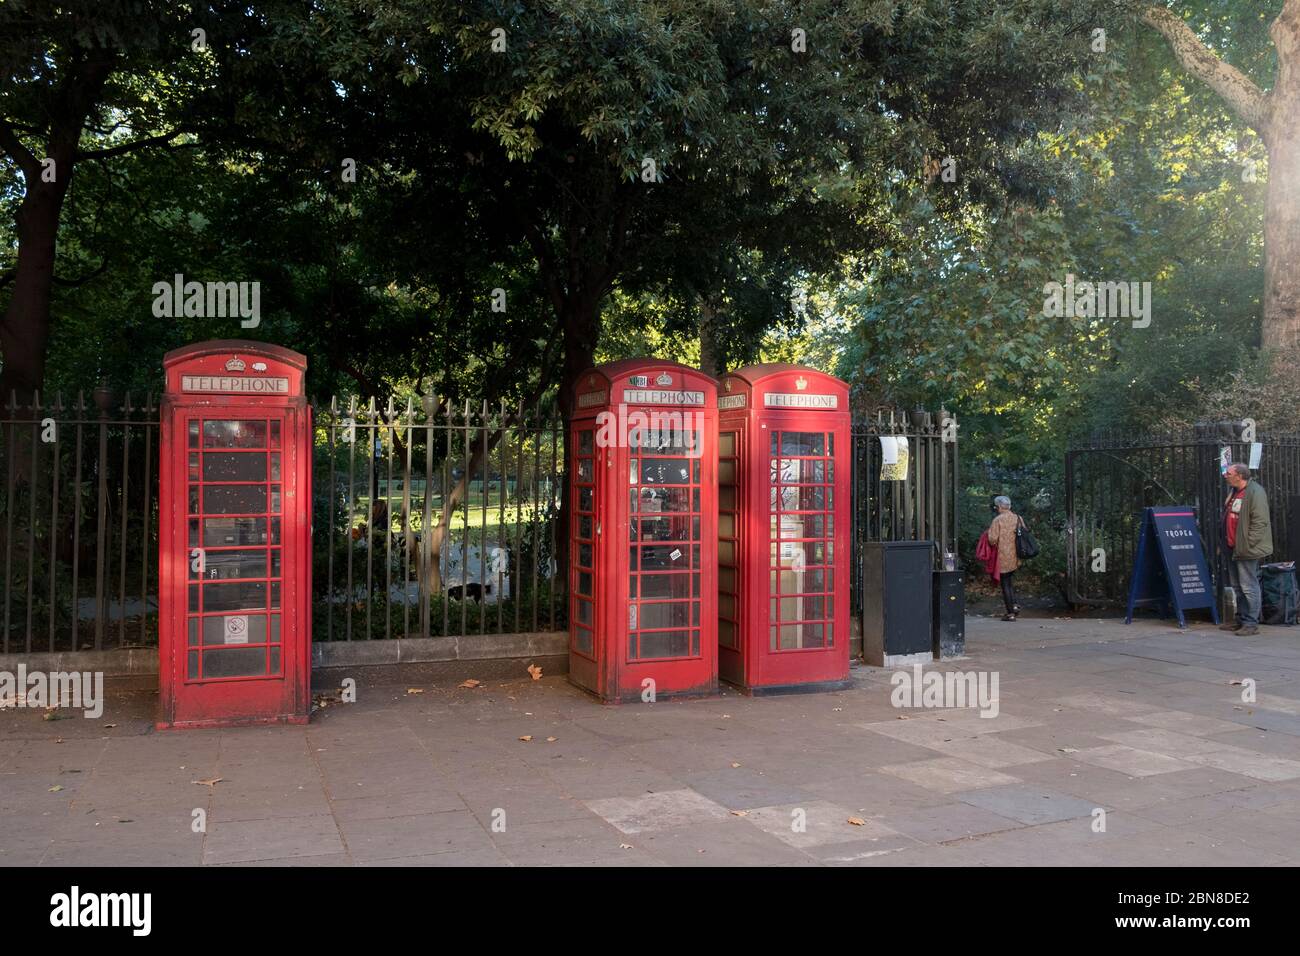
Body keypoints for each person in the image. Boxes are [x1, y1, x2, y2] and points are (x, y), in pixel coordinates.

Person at [1220, 463, 1273, 636]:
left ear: (1239, 476)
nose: (1225, 475)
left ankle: (1251, 623)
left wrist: (1246, 544)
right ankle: (1242, 619)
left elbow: (1260, 522)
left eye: (1228, 473)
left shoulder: (1254, 492)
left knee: (1248, 585)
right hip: (1232, 546)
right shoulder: (1235, 491)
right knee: (1237, 586)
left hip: (1245, 548)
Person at [986, 495, 1021, 621]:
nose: (996, 509)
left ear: (1000, 507)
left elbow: (992, 539)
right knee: (1010, 582)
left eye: (996, 506)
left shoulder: (998, 520)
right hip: (1016, 556)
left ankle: (1010, 613)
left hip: (1002, 557)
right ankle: (1015, 605)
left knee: (1005, 584)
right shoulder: (1017, 518)